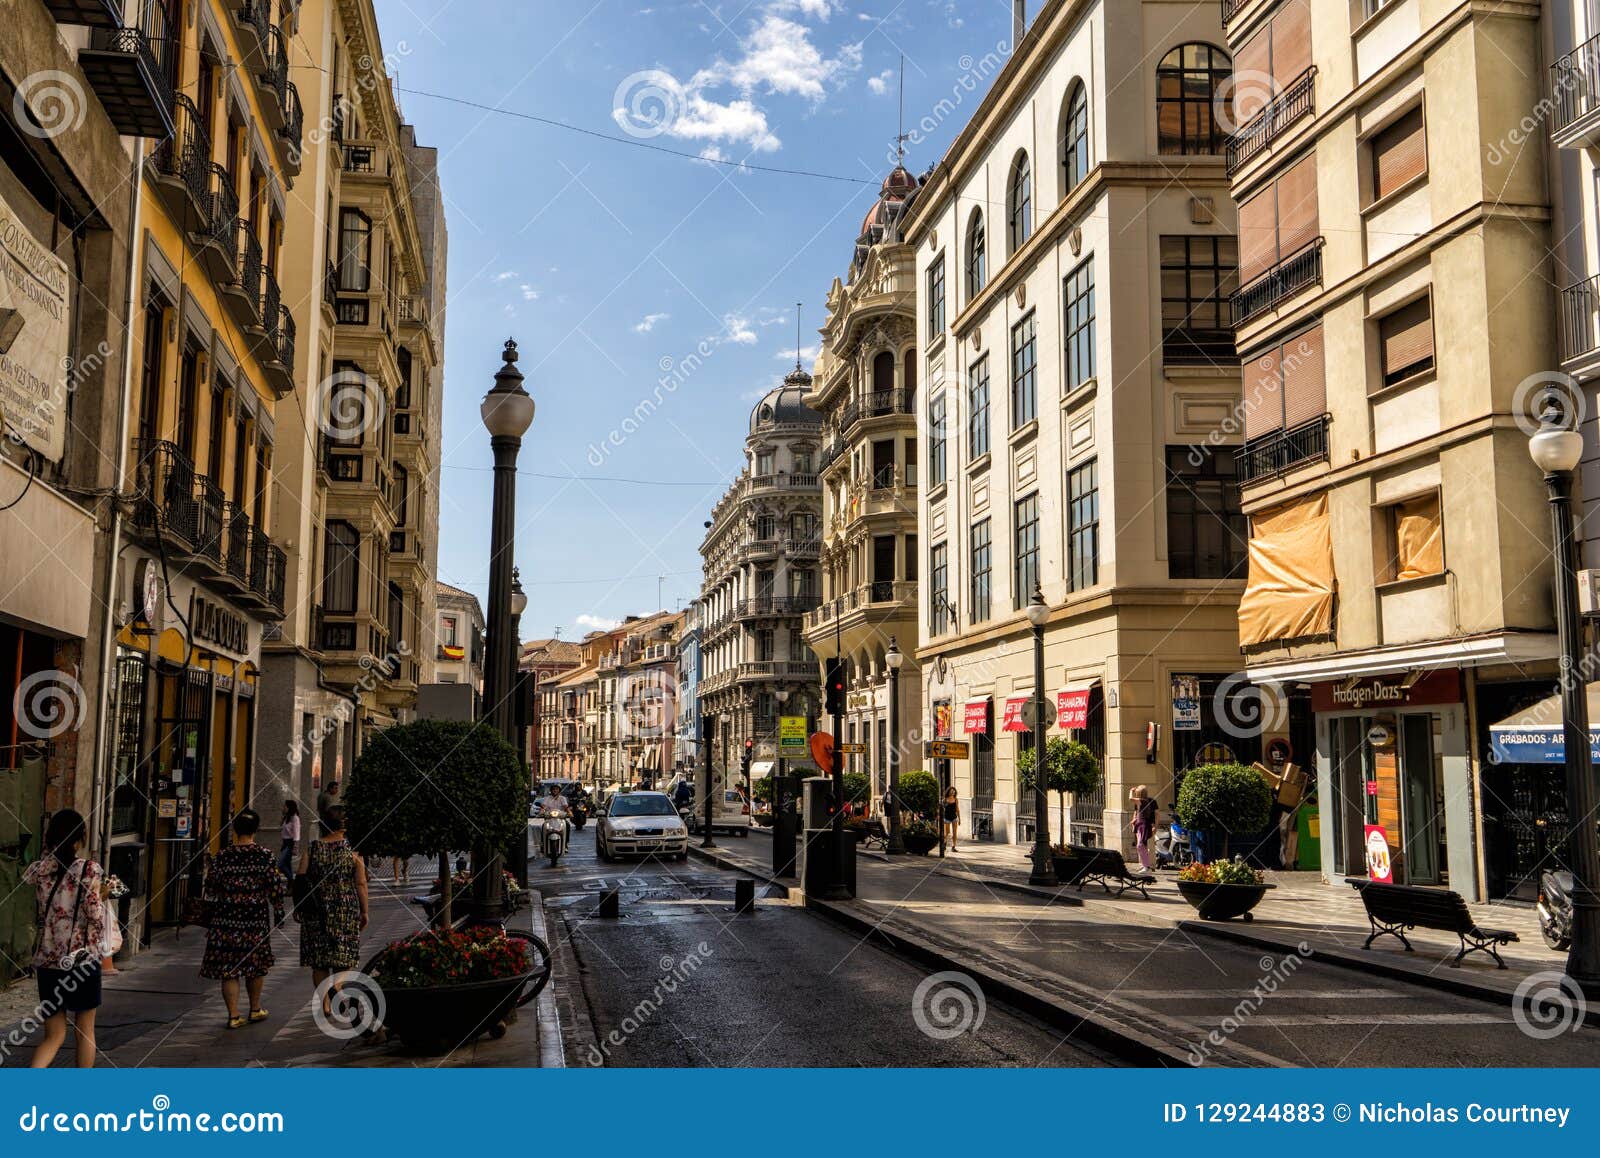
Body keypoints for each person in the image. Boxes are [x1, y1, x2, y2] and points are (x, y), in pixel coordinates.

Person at [24, 808, 106, 1068]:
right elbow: (94, 914)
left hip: (47, 962)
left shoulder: (40, 871)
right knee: (85, 1030)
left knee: (53, 1035)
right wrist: (103, 898)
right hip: (81, 961)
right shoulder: (88, 870)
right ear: (78, 838)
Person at [201, 809, 287, 1029]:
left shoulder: (222, 856)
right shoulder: (264, 855)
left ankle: (233, 1015)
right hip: (254, 918)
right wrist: (278, 912)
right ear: (256, 830)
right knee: (254, 965)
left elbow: (210, 886)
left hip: (225, 917)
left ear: (234, 830)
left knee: (229, 968)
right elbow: (275, 886)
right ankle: (255, 1008)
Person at [296, 804, 368, 1017]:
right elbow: (361, 883)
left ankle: (325, 1004)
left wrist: (300, 906)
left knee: (319, 961)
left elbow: (300, 878)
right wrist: (365, 911)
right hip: (345, 908)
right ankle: (337, 989)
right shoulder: (353, 850)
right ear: (344, 826)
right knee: (343, 957)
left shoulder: (313, 848)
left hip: (316, 910)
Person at [1130, 784, 1158, 871]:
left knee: (1147, 847)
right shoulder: (1139, 802)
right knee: (1142, 846)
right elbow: (1136, 812)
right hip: (1140, 825)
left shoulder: (1147, 801)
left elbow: (1157, 814)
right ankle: (1145, 865)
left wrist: (1155, 826)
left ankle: (1149, 866)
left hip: (1148, 825)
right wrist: (1134, 821)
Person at [277, 800, 301, 879]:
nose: (283, 807)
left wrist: (295, 846)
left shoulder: (295, 818)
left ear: (289, 807)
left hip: (290, 843)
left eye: (285, 806)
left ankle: (290, 878)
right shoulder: (287, 817)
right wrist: (283, 815)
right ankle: (291, 882)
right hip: (285, 842)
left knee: (281, 864)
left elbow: (297, 832)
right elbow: (280, 825)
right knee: (287, 863)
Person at [941, 786, 961, 852]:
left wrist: (959, 819)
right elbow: (941, 809)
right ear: (949, 792)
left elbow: (957, 809)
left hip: (954, 817)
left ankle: (953, 846)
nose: (953, 792)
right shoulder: (945, 800)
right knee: (946, 832)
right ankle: (944, 843)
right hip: (946, 818)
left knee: (954, 833)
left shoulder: (956, 799)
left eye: (954, 791)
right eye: (951, 791)